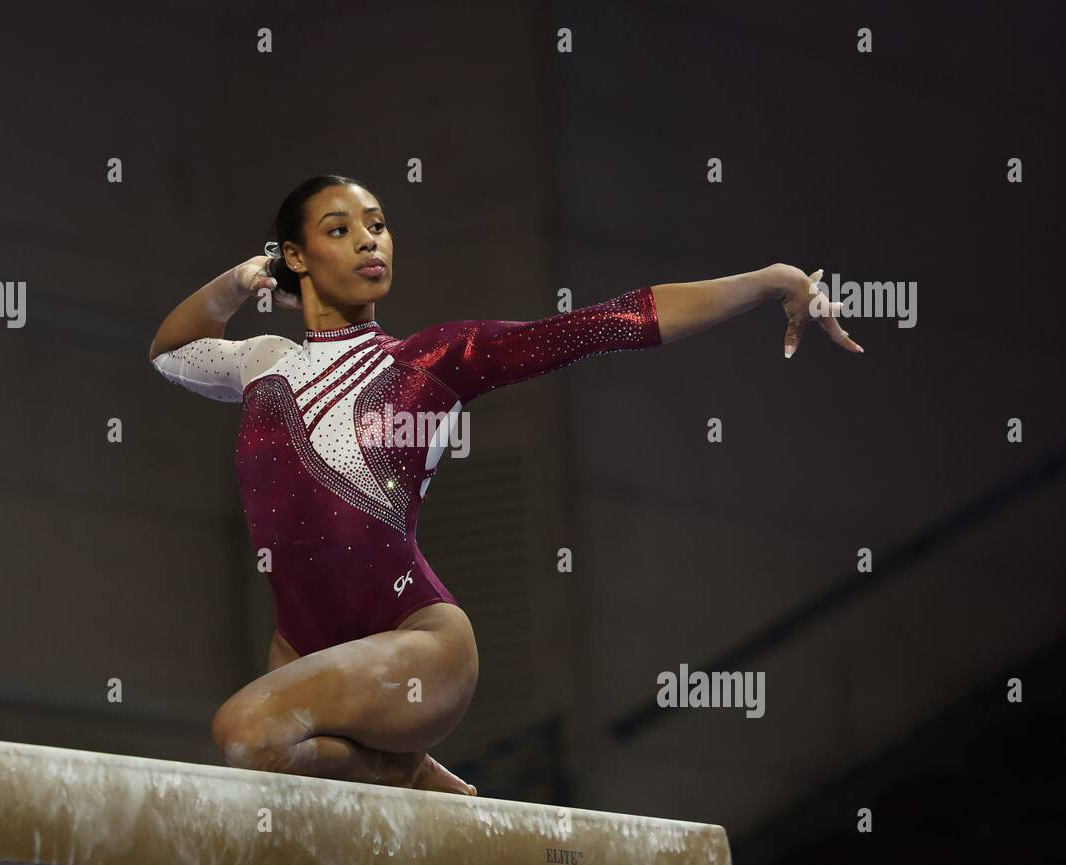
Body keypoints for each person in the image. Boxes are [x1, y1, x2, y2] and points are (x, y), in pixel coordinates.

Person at [149, 175, 861, 795]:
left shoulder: (432, 358)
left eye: (379, 225)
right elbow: (169, 353)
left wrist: (771, 281)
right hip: (303, 649)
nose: (372, 242)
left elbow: (605, 326)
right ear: (296, 257)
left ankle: (401, 767)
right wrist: (235, 282)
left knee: (243, 731)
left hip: (419, 645)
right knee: (269, 769)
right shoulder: (263, 362)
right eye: (341, 230)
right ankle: (398, 771)